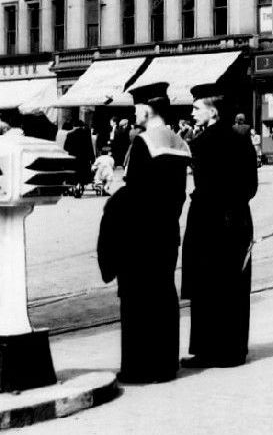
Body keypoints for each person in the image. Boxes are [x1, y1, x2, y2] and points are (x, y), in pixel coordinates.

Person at [97, 81, 190, 384]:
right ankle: (164, 363)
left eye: (137, 107)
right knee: (163, 293)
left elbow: (134, 190)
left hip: (140, 235)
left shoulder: (144, 142)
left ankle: (140, 367)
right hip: (167, 231)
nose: (133, 113)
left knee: (138, 300)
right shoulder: (178, 142)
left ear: (148, 109)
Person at [180, 81, 259, 369]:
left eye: (196, 107)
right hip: (238, 219)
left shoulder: (201, 144)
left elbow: (204, 187)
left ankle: (208, 349)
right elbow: (251, 186)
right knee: (234, 284)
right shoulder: (242, 139)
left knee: (207, 284)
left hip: (208, 220)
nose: (192, 112)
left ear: (212, 112)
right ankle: (234, 349)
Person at [64, 119, 95, 187]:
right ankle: (81, 185)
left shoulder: (70, 134)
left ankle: (74, 186)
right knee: (83, 175)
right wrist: (92, 159)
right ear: (81, 126)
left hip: (73, 159)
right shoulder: (86, 134)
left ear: (74, 126)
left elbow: (65, 147)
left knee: (74, 175)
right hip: (84, 159)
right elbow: (90, 147)